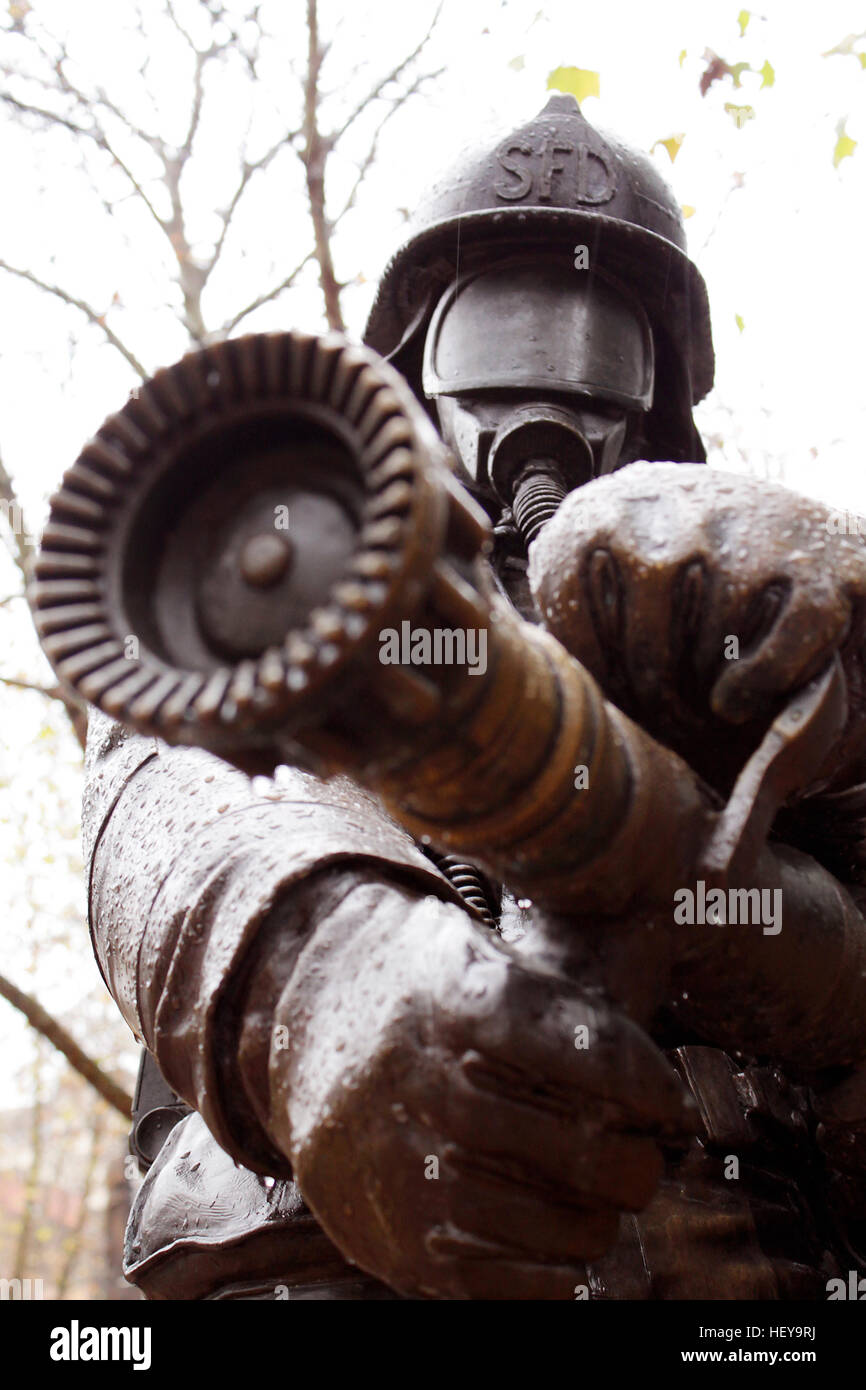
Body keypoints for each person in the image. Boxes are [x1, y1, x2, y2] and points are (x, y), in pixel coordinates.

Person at [77, 95, 866, 1300]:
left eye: (598, 349)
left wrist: (836, 679)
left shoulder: (727, 625)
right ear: (416, 361)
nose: (543, 393)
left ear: (655, 398)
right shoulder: (283, 573)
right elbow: (168, 801)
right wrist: (315, 971)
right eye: (495, 333)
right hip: (312, 1251)